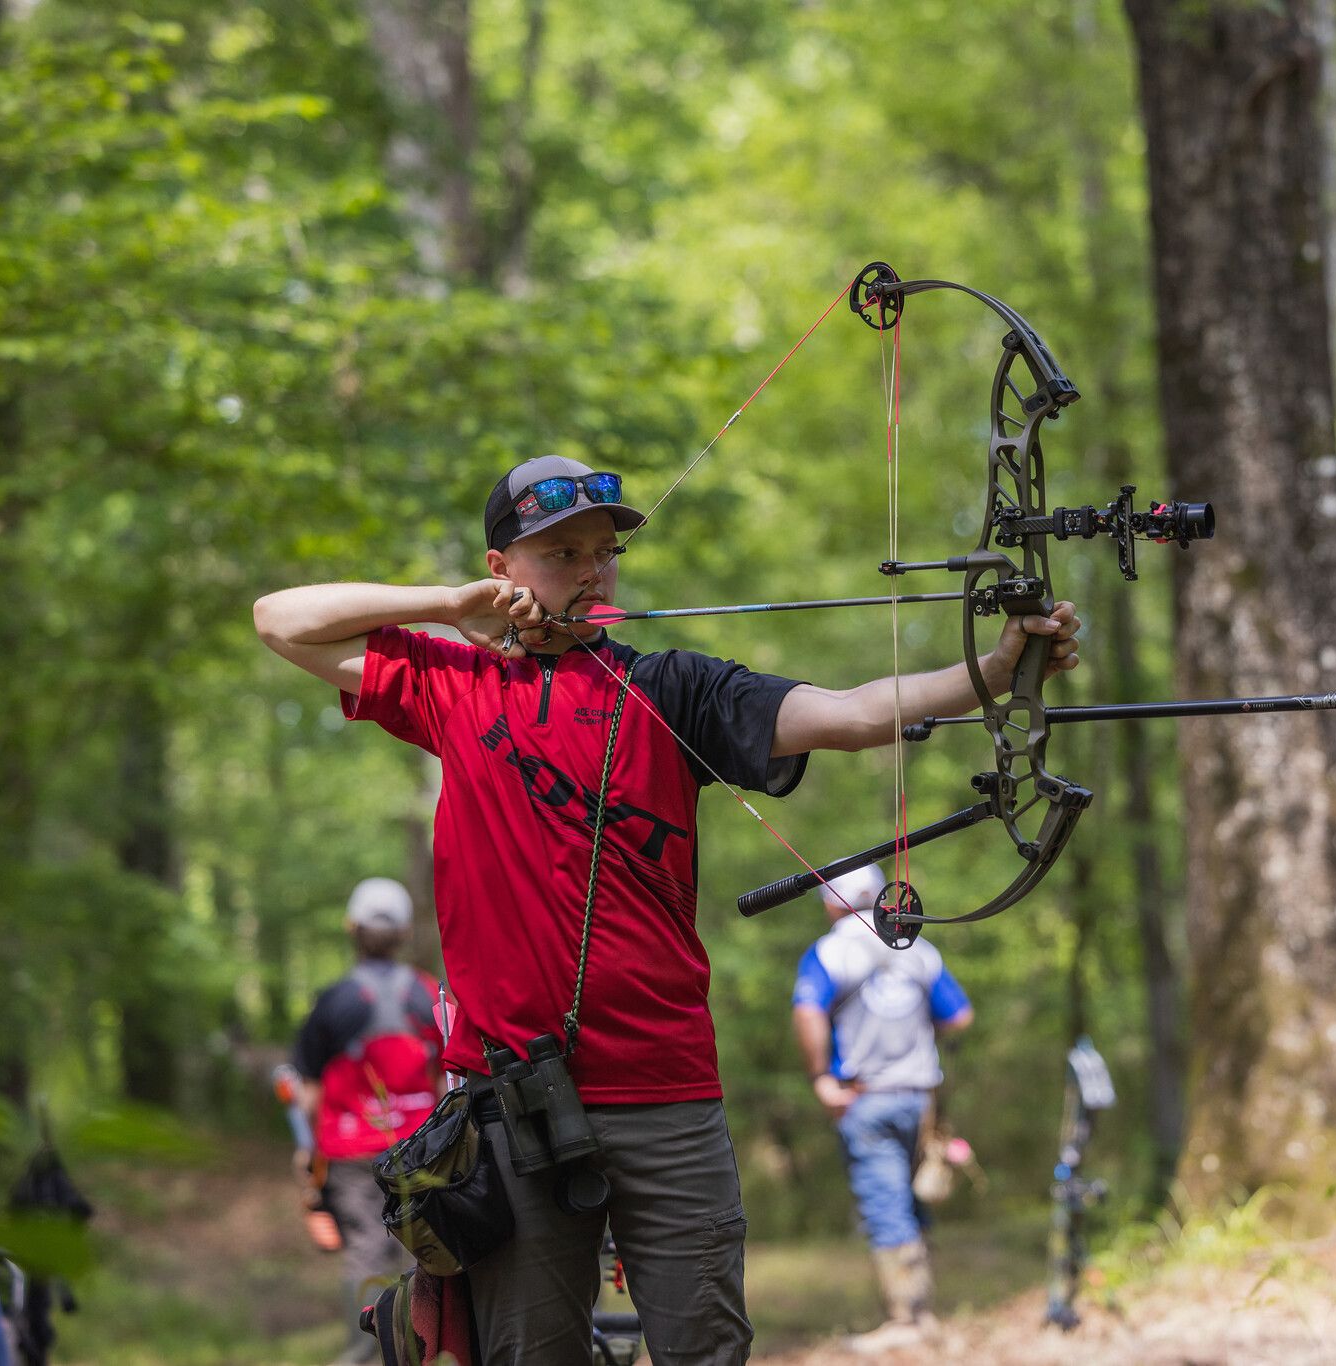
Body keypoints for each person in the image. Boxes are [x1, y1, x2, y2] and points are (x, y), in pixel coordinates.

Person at [251, 454, 1080, 1366]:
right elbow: (278, 619)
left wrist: (995, 670)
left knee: (705, 1348)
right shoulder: (451, 683)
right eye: (561, 553)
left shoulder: (675, 688)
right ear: (502, 568)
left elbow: (850, 712)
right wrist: (449, 605)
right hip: (510, 1100)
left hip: (666, 1087)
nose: (592, 571)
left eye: (603, 552)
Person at [792, 864, 974, 1353]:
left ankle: (907, 1319)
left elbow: (808, 1010)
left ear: (833, 903)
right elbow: (959, 1016)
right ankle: (922, 1313)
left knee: (886, 1204)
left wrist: (821, 1079)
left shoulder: (829, 951)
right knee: (913, 1202)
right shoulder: (919, 948)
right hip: (921, 1099)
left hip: (865, 1097)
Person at [292, 876, 446, 1363]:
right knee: (424, 1249)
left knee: (365, 1250)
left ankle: (365, 1353)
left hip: (350, 1151)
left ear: (352, 930)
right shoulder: (429, 995)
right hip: (422, 1148)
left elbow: (309, 1095)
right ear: (404, 933)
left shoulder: (332, 1001)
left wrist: (306, 1151)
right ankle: (426, 1349)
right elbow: (448, 1084)